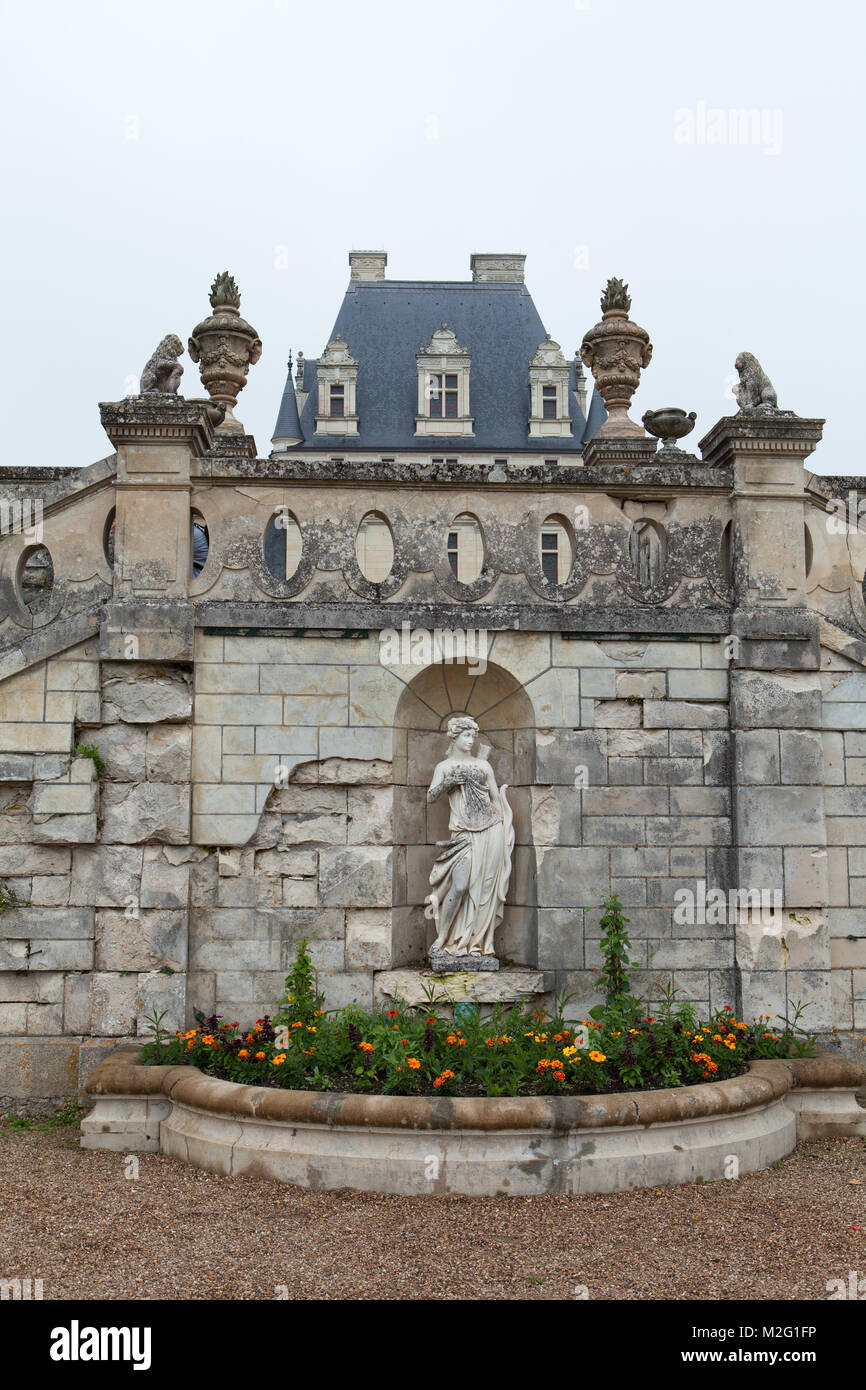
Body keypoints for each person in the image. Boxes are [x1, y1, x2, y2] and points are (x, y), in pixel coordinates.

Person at [424, 716, 513, 958]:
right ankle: (443, 939)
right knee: (461, 884)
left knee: (485, 889)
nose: (471, 740)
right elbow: (430, 797)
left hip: (491, 831)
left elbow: (495, 800)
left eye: (473, 736)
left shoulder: (484, 766)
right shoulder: (444, 767)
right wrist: (448, 783)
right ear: (454, 737)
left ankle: (477, 943)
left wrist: (504, 829)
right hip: (463, 834)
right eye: (466, 735)